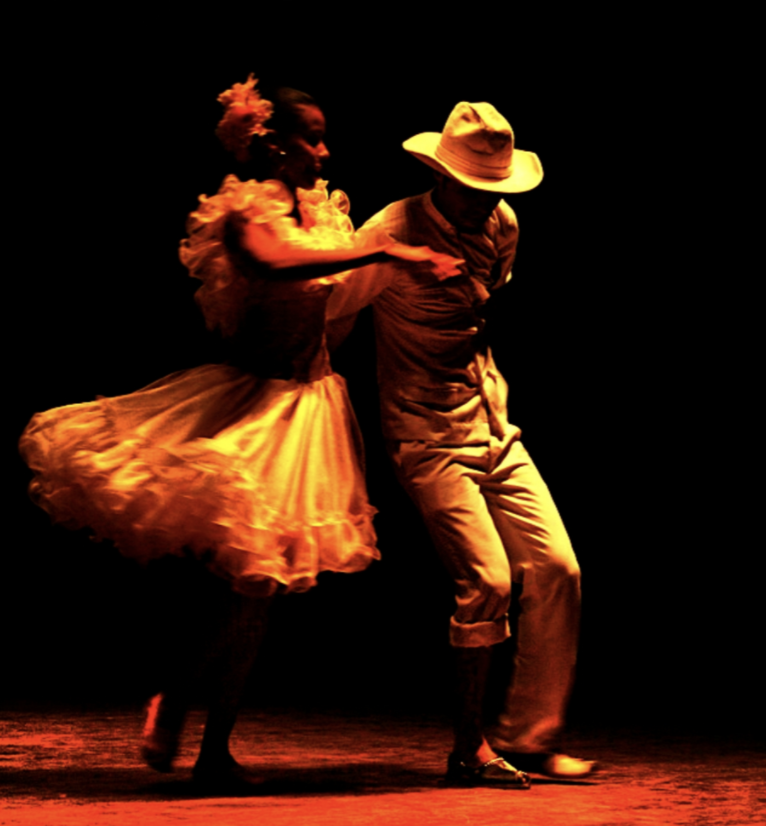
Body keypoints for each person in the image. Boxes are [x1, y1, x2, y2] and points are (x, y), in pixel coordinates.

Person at [19, 76, 460, 789]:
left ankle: (210, 741)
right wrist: (387, 255)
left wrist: (408, 264)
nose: (324, 150)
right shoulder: (242, 212)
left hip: (309, 409)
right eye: (311, 137)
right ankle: (178, 698)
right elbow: (270, 263)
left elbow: (334, 297)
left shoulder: (324, 213)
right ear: (277, 145)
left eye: (324, 135)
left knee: (260, 595)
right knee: (244, 589)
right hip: (251, 416)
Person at [327, 102, 596, 786]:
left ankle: (531, 736)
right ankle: (469, 747)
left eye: (496, 188)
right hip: (424, 434)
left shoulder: (505, 225)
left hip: (492, 423)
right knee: (488, 581)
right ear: (442, 175)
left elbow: (481, 310)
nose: (489, 202)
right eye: (478, 187)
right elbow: (333, 312)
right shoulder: (393, 230)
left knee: (559, 570)